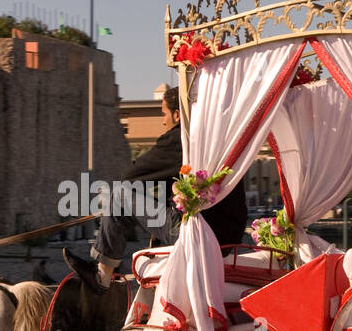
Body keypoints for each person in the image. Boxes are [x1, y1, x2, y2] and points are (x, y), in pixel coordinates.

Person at [64, 85, 247, 293]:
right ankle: (116, 265)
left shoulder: (182, 138)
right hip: (229, 238)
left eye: (164, 113)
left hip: (197, 234)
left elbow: (130, 177)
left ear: (178, 115)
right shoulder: (217, 139)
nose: (162, 121)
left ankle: (102, 276)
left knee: (120, 197)